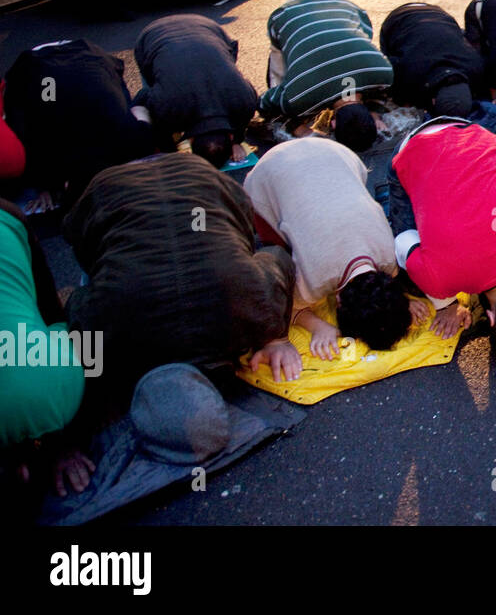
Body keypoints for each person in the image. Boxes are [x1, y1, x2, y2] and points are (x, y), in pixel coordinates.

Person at [63, 154, 294, 391]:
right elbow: (245, 222)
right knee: (273, 256)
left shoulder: (104, 185)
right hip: (232, 308)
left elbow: (81, 243)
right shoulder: (205, 172)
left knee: (79, 302)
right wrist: (276, 338)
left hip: (127, 325)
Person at [386, 118, 496, 355]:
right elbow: (402, 241)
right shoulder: (439, 282)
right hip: (411, 149)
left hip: (474, 134)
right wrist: (446, 304)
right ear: (490, 317)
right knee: (402, 227)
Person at [244, 138, 416, 373]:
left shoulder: (388, 256)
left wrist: (403, 304)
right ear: (338, 301)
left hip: (334, 151)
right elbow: (285, 306)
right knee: (276, 250)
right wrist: (316, 325)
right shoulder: (314, 281)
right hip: (265, 173)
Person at [3, 40, 155, 209]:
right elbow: (23, 140)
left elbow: (141, 111)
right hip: (47, 63)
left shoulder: (132, 143)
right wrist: (45, 187)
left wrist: (45, 187)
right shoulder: (50, 147)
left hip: (83, 59)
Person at [0, 199, 86, 494]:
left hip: (47, 390)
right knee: (83, 331)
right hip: (55, 391)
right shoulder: (7, 213)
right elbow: (50, 308)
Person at [258, 0, 394, 152]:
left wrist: (375, 113)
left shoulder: (384, 73)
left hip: (345, 6)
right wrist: (298, 127)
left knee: (357, 40)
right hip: (284, 16)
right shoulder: (298, 98)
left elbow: (378, 93)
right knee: (278, 82)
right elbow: (263, 104)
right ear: (332, 124)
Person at [131, 15, 259, 169]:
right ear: (190, 141)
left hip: (207, 26)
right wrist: (169, 151)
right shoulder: (167, 106)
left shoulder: (245, 101)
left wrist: (238, 141)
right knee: (155, 91)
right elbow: (142, 98)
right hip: (152, 38)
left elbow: (242, 115)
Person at [379, 2, 484, 118]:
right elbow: (381, 68)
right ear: (433, 101)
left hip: (439, 16)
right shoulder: (407, 73)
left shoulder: (476, 68)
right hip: (398, 19)